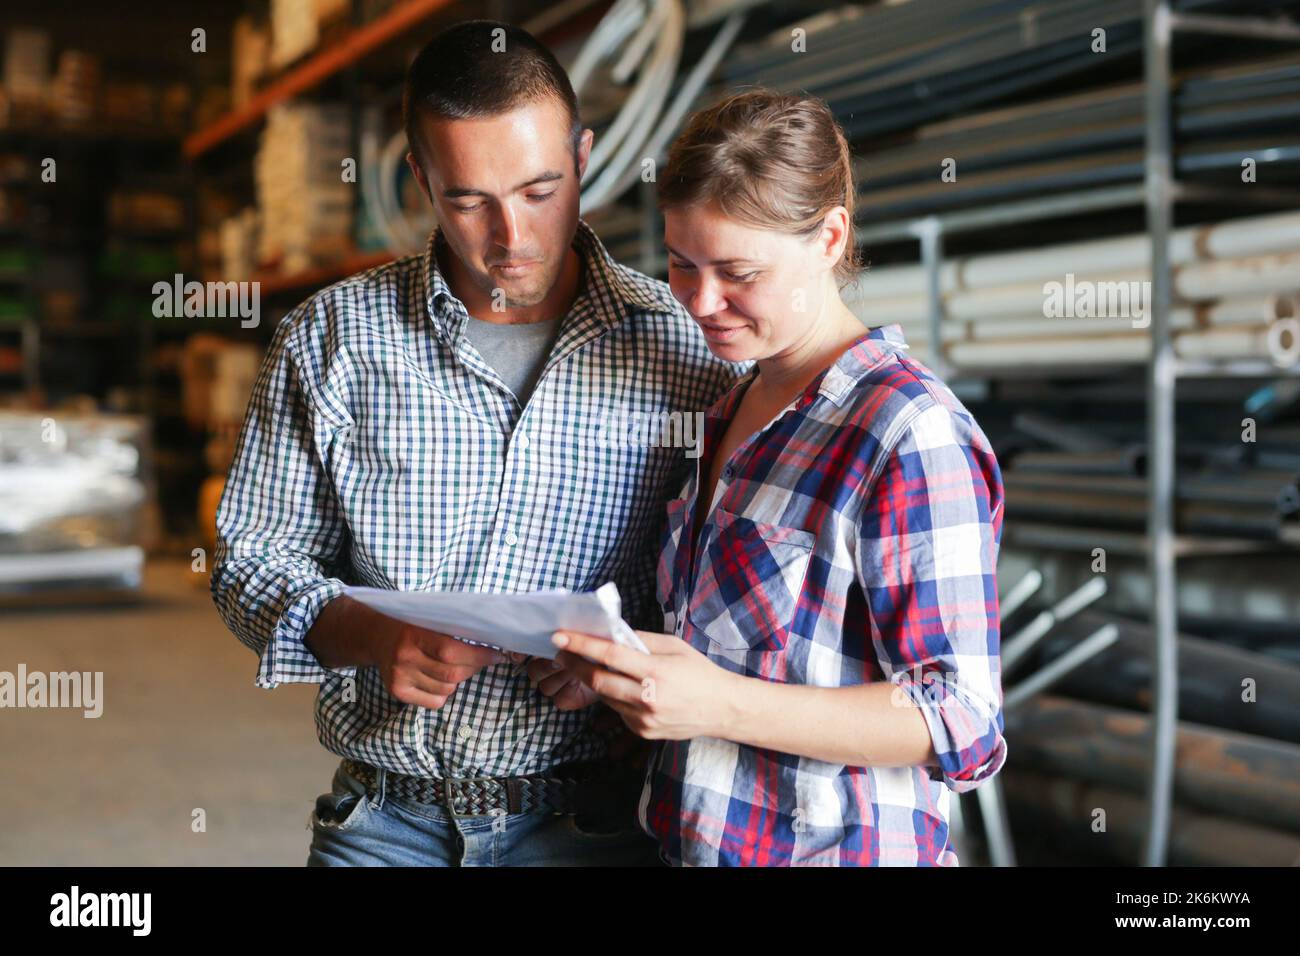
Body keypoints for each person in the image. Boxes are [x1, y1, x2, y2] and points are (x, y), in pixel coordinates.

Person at [210, 20, 742, 866]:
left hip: (594, 823)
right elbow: (249, 558)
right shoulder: (333, 341)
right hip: (387, 823)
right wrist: (361, 633)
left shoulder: (685, 348)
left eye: (540, 190)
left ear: (584, 154)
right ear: (420, 176)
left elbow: (726, 589)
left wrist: (620, 659)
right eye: (468, 201)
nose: (512, 237)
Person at [530, 89, 1008, 866]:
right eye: (682, 264)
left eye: (738, 271)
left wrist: (718, 703)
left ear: (830, 236)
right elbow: (752, 650)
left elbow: (960, 719)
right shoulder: (727, 408)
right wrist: (630, 675)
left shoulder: (904, 431)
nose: (703, 301)